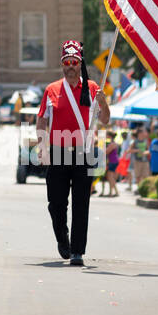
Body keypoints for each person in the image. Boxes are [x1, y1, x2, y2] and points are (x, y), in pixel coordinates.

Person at [34, 40, 109, 266]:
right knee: (55, 203)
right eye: (67, 62)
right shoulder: (52, 90)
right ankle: (62, 238)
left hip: (83, 153)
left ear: (80, 64)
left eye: (74, 62)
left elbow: (105, 120)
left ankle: (77, 251)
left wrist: (104, 104)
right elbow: (41, 120)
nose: (70, 66)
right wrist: (42, 146)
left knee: (81, 203)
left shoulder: (93, 88)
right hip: (57, 152)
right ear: (62, 64)